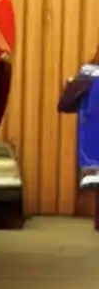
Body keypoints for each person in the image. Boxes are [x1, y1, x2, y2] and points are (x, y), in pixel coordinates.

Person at [59, 46, 99, 189]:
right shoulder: (91, 75)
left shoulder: (89, 74)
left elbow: (66, 104)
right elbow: (66, 104)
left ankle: (92, 167)